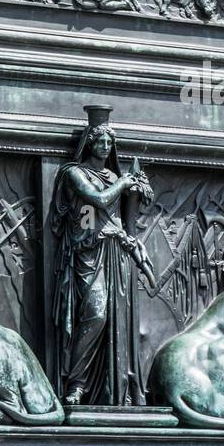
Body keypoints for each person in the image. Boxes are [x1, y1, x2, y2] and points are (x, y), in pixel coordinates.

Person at [50, 115, 154, 406]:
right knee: (96, 315)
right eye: (101, 141)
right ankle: (75, 382)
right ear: (90, 143)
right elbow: (97, 199)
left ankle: (117, 386)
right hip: (88, 252)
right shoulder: (75, 173)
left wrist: (134, 239)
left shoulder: (114, 177)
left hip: (117, 251)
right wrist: (123, 183)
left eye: (110, 142)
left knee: (118, 320)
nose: (106, 146)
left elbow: (125, 217)